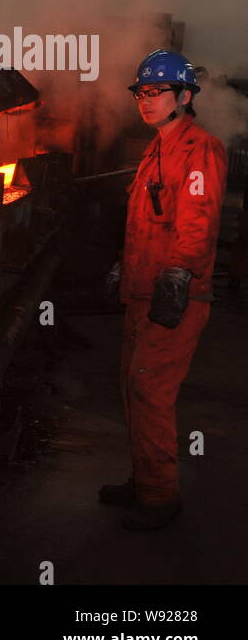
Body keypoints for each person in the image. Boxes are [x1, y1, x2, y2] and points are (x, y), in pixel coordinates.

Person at [100, 49, 227, 529]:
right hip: (142, 292)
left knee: (151, 390)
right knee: (132, 388)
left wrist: (178, 275)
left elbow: (198, 222)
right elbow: (146, 219)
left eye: (157, 92)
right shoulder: (155, 148)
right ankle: (143, 479)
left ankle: (159, 498)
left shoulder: (201, 149)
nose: (146, 101)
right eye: (141, 93)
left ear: (185, 95)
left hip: (175, 296)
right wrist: (123, 266)